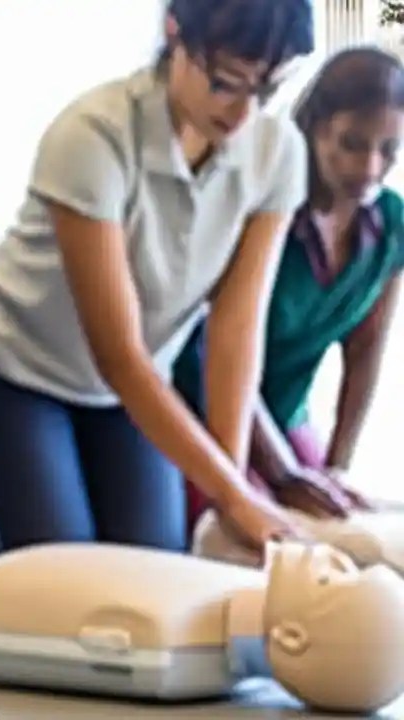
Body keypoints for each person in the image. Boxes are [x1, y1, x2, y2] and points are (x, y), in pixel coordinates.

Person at [0, 0, 316, 558]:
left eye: (265, 92)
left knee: (154, 572)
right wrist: (235, 495)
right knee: (72, 575)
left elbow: (235, 332)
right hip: (16, 371)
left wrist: (231, 487)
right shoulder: (94, 134)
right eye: (225, 84)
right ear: (175, 35)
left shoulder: (277, 152)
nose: (244, 114)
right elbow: (117, 352)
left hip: (132, 388)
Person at [174, 47, 404, 528]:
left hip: (284, 415)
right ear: (318, 128)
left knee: (342, 523)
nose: (370, 168)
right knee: (249, 537)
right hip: (203, 413)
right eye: (353, 144)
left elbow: (365, 353)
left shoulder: (392, 222)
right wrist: (281, 473)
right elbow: (218, 349)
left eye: (388, 150)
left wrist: (336, 468)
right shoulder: (265, 206)